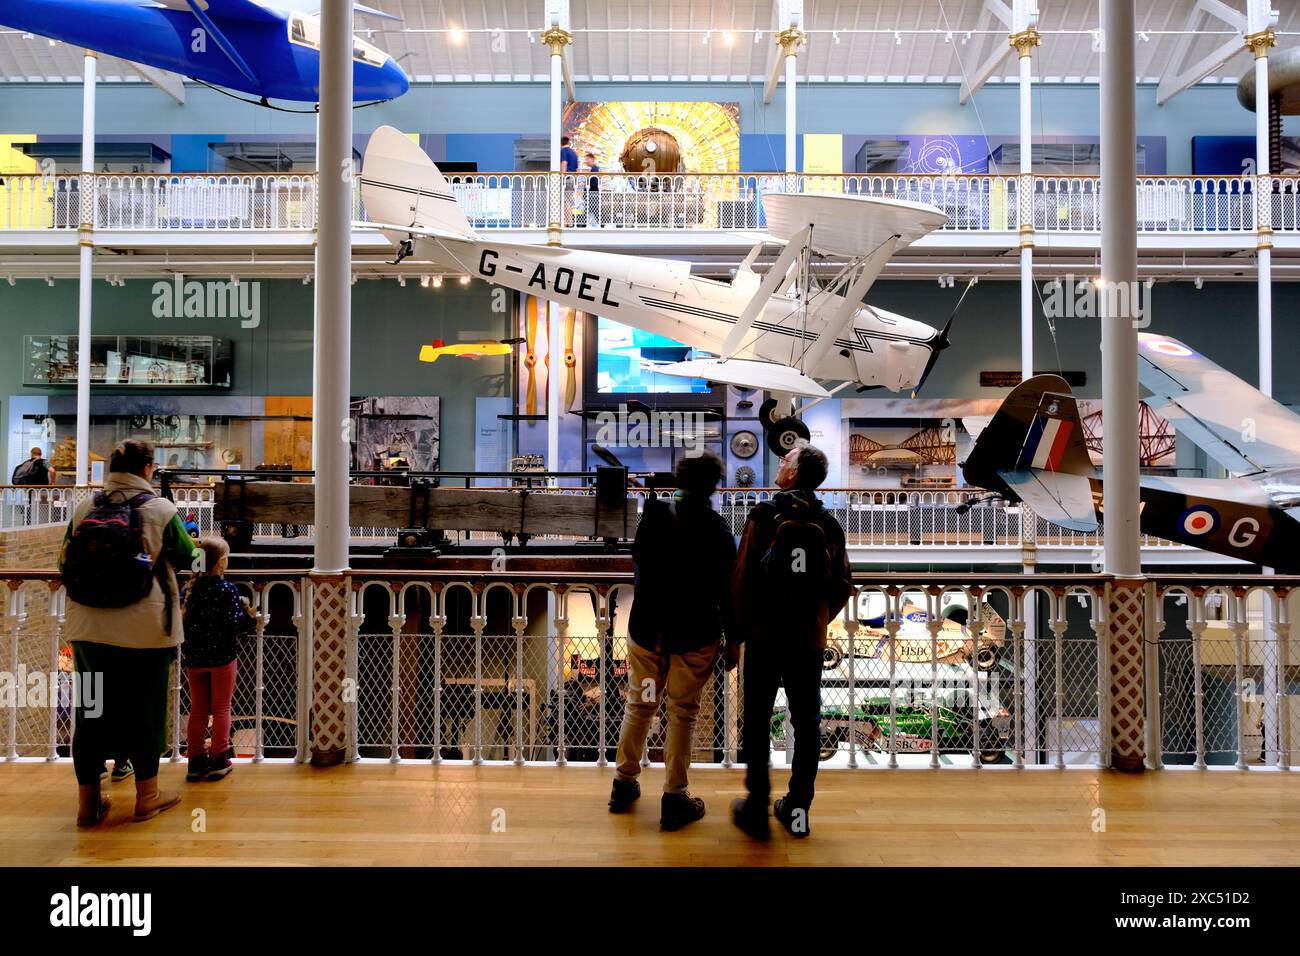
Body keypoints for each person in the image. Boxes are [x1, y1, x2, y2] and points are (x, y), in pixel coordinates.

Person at [60, 439, 196, 826]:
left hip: (88, 629)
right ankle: (147, 797)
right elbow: (192, 559)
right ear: (148, 469)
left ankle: (89, 804)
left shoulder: (84, 508)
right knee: (145, 712)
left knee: (90, 712)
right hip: (145, 632)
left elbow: (62, 561)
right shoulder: (161, 509)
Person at [608, 451, 737, 831]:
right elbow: (725, 591)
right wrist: (732, 639)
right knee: (682, 713)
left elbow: (640, 562)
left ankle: (624, 783)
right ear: (713, 488)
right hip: (693, 638)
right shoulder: (717, 529)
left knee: (641, 705)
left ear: (678, 481)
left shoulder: (655, 516)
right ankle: (674, 797)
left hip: (649, 633)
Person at [730, 443, 853, 840]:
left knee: (757, 720)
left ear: (795, 474)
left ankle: (756, 808)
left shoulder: (764, 516)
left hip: (765, 636)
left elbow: (742, 578)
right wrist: (817, 619)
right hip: (807, 641)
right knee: (806, 723)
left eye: (786, 461)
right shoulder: (830, 525)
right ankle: (798, 810)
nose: (780, 464)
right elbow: (843, 585)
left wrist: (736, 633)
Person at [182, 535, 253, 782]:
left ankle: (195, 760)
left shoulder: (189, 592)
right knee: (222, 707)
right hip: (222, 657)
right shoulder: (227, 590)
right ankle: (219, 758)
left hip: (195, 658)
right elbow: (237, 624)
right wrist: (249, 615)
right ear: (222, 563)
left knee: (198, 709)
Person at [583, 151, 601, 227]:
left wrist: (586, 189)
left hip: (593, 191)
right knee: (593, 208)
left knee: (593, 207)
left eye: (587, 159)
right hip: (593, 191)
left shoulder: (594, 169)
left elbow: (593, 182)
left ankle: (596, 223)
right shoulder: (594, 168)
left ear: (592, 159)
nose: (586, 161)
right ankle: (594, 223)